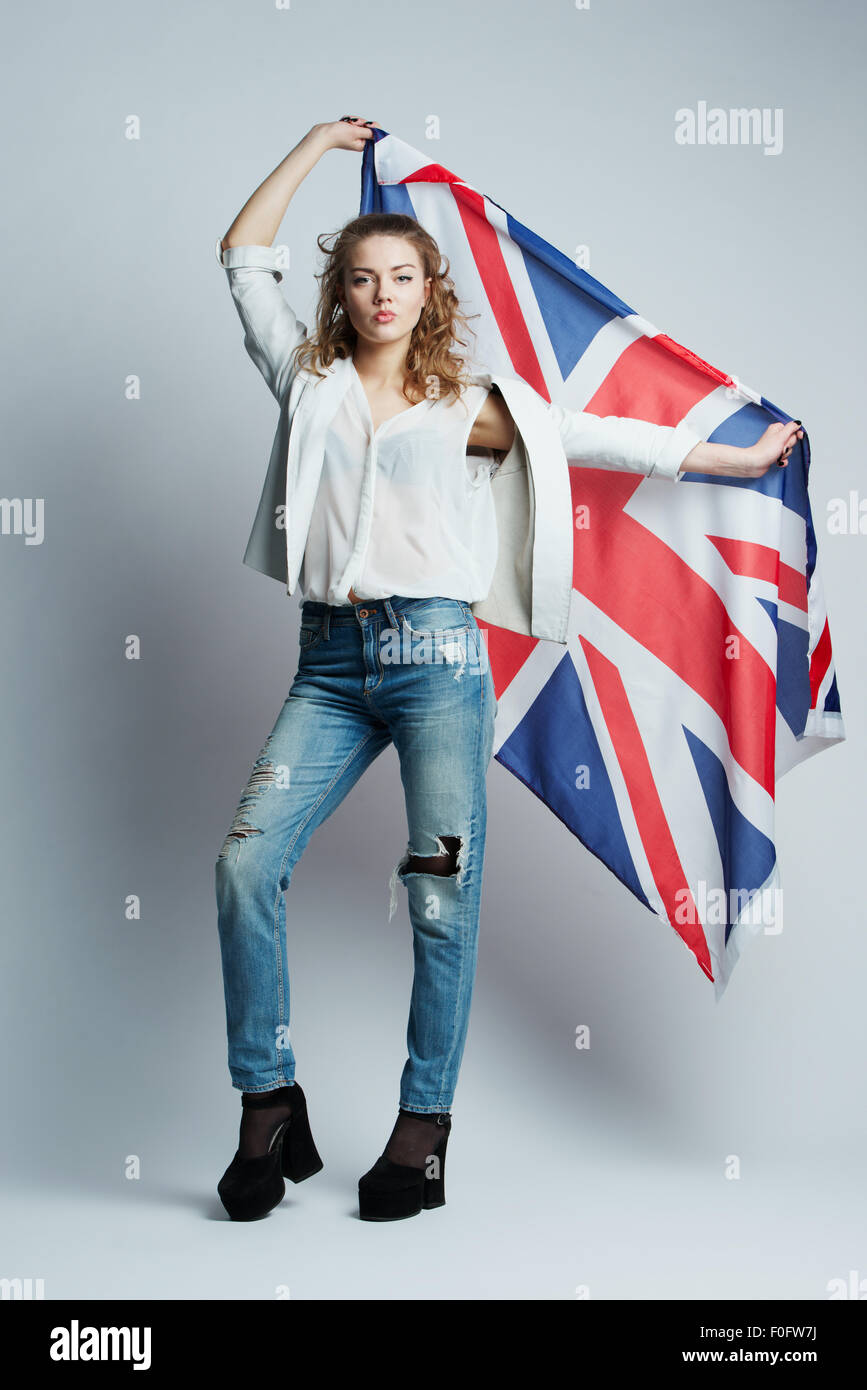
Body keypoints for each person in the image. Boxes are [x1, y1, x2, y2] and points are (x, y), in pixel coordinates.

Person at [213, 116, 804, 1224]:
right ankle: (268, 1105)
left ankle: (422, 1132)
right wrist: (309, 146)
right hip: (330, 665)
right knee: (245, 867)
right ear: (339, 291)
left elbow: (602, 436)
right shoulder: (309, 384)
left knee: (437, 899)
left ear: (427, 290)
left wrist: (736, 455)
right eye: (359, 277)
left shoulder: (468, 411)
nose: (380, 294)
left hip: (439, 665)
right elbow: (244, 256)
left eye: (401, 277)